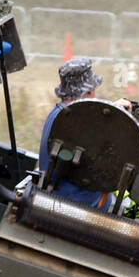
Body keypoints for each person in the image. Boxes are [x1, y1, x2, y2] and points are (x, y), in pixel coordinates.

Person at [38, 57, 111, 208]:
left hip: (60, 199)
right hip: (75, 207)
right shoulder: (71, 123)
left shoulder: (59, 115)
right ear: (89, 92)